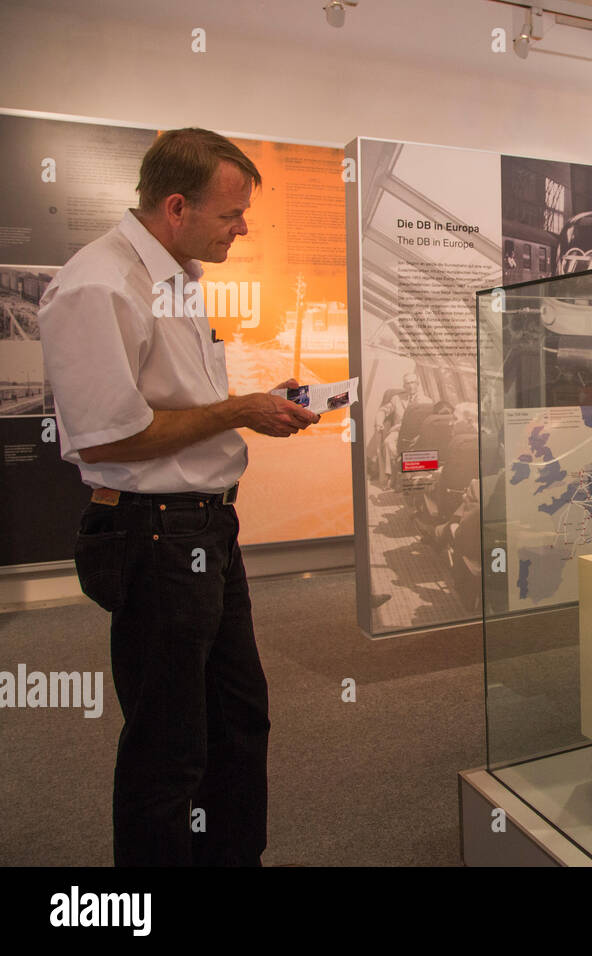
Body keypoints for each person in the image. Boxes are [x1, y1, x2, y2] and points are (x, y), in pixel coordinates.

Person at [37, 128, 319, 866]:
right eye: (231, 215)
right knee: (169, 745)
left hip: (202, 530)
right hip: (155, 536)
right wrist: (237, 412)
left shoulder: (172, 275)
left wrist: (252, 404)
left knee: (237, 721)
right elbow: (103, 439)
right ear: (174, 206)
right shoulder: (99, 284)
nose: (243, 227)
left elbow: (172, 402)